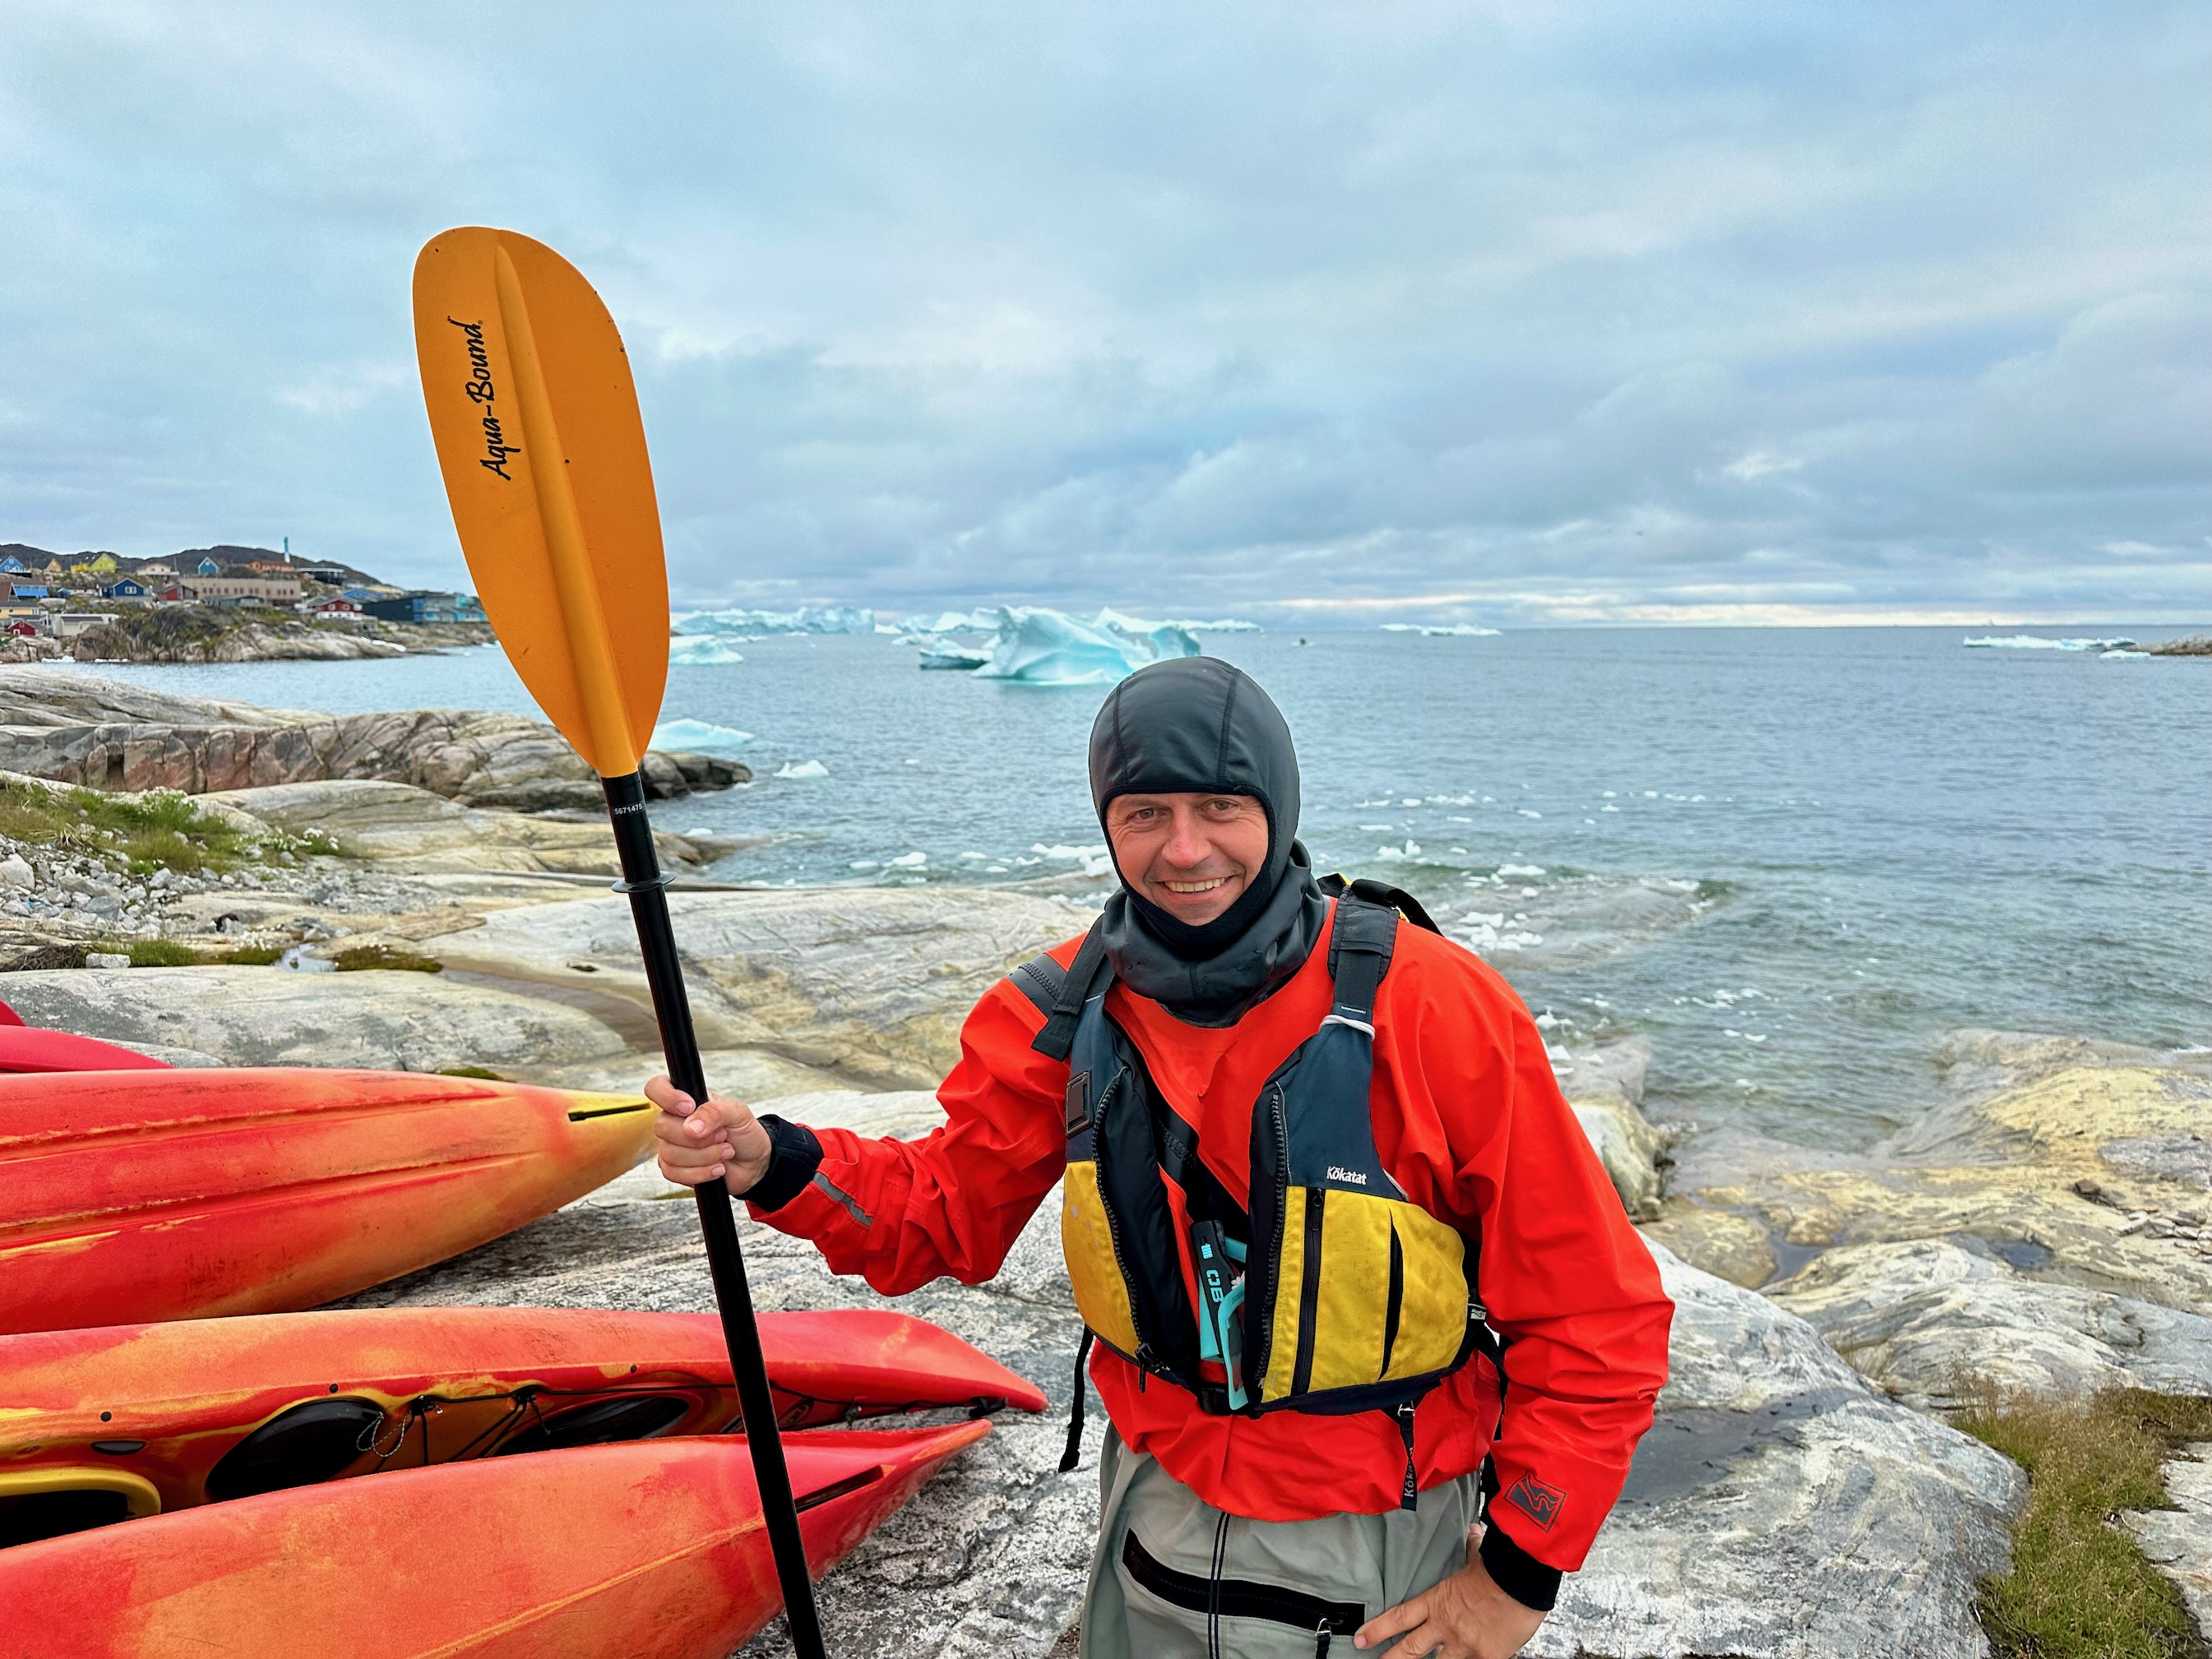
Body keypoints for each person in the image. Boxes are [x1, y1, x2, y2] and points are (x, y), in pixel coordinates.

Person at [648, 657, 1673, 1659]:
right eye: (1143, 813)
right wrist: (772, 1160)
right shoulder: (1053, 1009)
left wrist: (1518, 1575)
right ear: (1106, 823)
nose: (1184, 850)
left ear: (1276, 804)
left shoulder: (1436, 1004)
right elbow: (943, 1213)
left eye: (1220, 805)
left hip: (1380, 1524)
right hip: (1151, 1498)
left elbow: (1592, 1312)